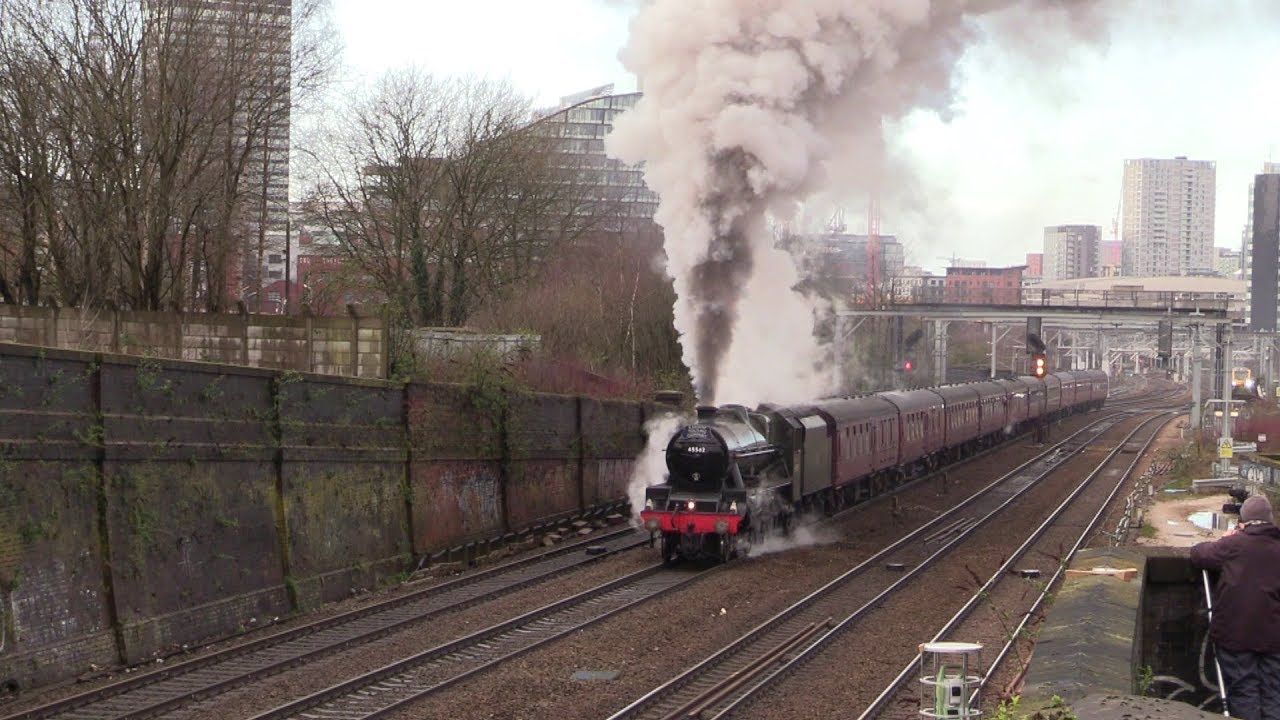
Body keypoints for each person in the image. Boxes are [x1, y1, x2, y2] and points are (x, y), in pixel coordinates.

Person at [1190, 494, 1280, 720]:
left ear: (1244, 520)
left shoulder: (1233, 544)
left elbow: (1199, 553)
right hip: (1275, 637)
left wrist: (1226, 538)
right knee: (1274, 693)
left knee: (1243, 690)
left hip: (1235, 634)